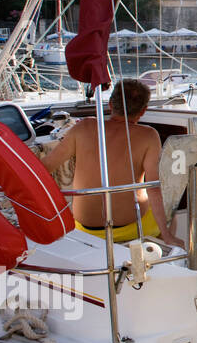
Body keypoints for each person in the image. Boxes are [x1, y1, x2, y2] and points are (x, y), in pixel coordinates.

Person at [39, 78, 178, 246]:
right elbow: (154, 189)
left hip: (86, 229)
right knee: (173, 214)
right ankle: (162, 254)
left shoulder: (84, 127)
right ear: (143, 111)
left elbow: (44, 167)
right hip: (131, 225)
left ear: (111, 104)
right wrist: (168, 235)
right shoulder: (149, 135)